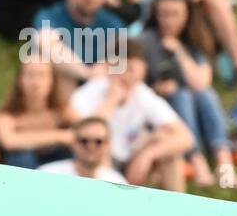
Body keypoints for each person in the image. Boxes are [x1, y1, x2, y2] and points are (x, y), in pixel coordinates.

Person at [139, 0, 237, 188]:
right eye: (163, 14)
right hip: (162, 115)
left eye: (175, 15)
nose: (168, 21)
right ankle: (198, 162)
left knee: (205, 94)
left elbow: (201, 82)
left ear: (187, 15)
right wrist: (157, 90)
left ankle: (224, 162)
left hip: (198, 112)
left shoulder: (194, 41)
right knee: (181, 94)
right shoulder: (145, 42)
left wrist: (178, 52)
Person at [69, 50, 195, 191]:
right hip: (97, 160)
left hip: (130, 161)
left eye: (136, 73)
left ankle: (174, 209)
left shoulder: (141, 92)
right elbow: (82, 135)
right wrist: (111, 100)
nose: (130, 78)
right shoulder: (91, 90)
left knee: (167, 145)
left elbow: (186, 138)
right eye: (127, 70)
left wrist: (147, 155)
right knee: (98, 145)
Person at [0, 58, 76, 169]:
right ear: (19, 80)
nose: (36, 82)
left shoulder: (62, 109)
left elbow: (87, 130)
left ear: (52, 80)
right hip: (22, 168)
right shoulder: (8, 115)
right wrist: (60, 136)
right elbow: (8, 141)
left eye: (42, 75)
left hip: (57, 163)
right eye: (30, 75)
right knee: (20, 155)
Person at [37, 116, 130, 183]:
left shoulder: (117, 182)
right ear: (73, 143)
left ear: (108, 145)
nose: (91, 147)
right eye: (84, 141)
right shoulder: (47, 175)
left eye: (98, 141)